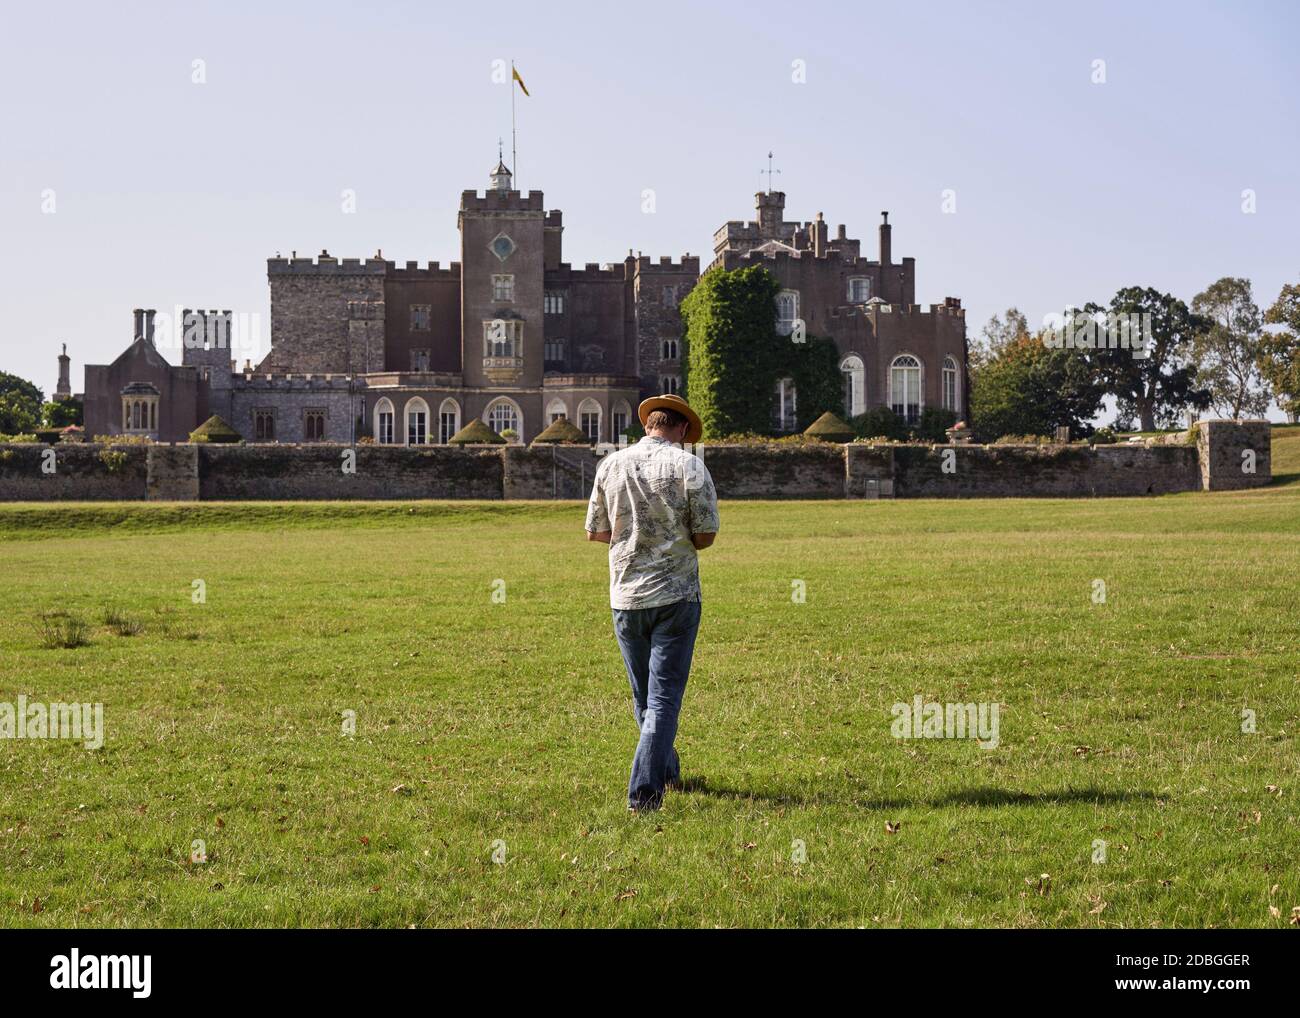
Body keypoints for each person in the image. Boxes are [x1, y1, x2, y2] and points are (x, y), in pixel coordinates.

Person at [584, 394, 720, 812]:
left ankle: (667, 771)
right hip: (676, 596)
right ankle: (643, 795)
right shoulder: (690, 467)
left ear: (649, 425)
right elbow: (705, 536)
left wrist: (633, 537)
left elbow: (596, 532)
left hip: (626, 596)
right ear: (680, 429)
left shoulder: (611, 465)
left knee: (644, 698)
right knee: (663, 701)